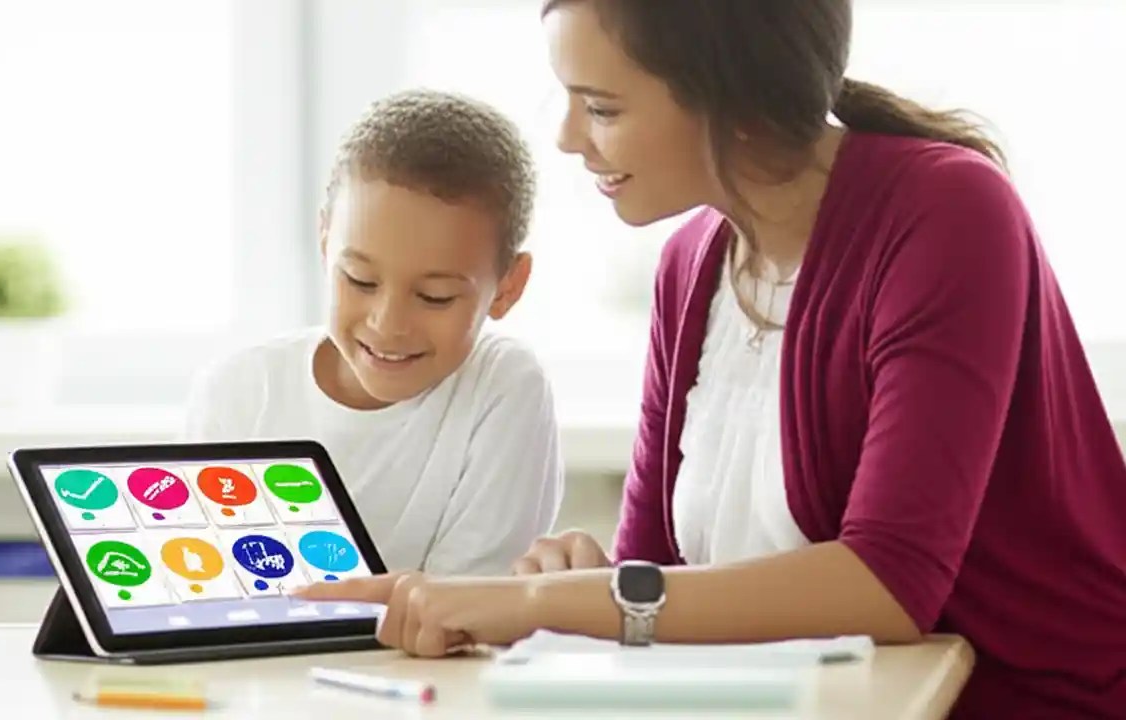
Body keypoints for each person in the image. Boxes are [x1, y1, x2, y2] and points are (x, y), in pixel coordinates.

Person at [296, 2, 1126, 717]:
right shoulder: (691, 267)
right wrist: (592, 576)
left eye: (602, 107)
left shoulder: (947, 214)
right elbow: (655, 575)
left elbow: (886, 584)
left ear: (735, 102)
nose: (565, 136)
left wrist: (542, 602)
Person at [184, 89, 564, 576]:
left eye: (435, 296)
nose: (387, 323)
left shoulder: (503, 387)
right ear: (325, 242)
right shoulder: (237, 390)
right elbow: (210, 593)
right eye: (360, 281)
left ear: (507, 287)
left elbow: (465, 613)